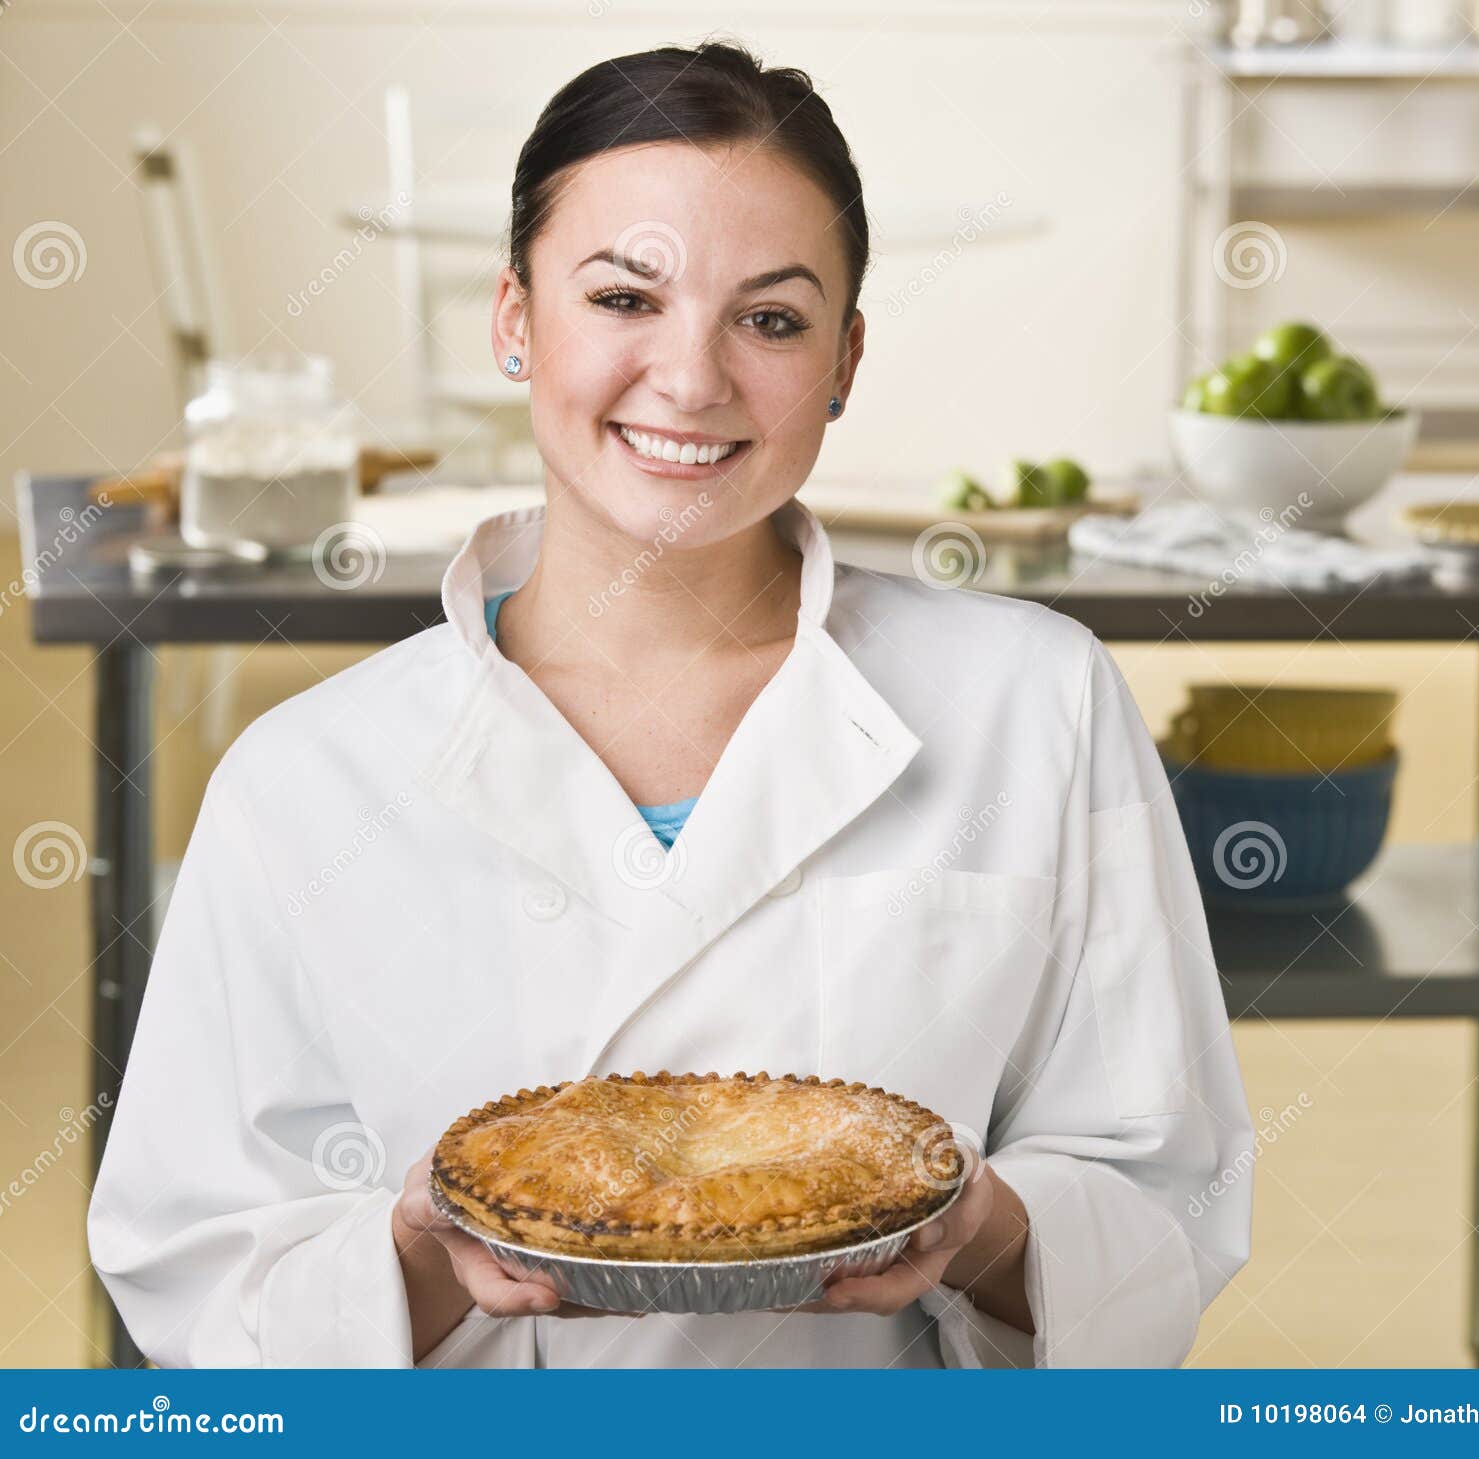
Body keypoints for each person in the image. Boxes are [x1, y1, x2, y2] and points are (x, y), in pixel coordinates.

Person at [87, 39, 1252, 1369]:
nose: (692, 379)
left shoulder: (1035, 703)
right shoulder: (304, 780)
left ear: (844, 361)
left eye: (770, 318)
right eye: (624, 298)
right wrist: (418, 1257)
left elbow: (1169, 1193)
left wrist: (983, 1227)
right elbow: (195, 1276)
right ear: (515, 321)